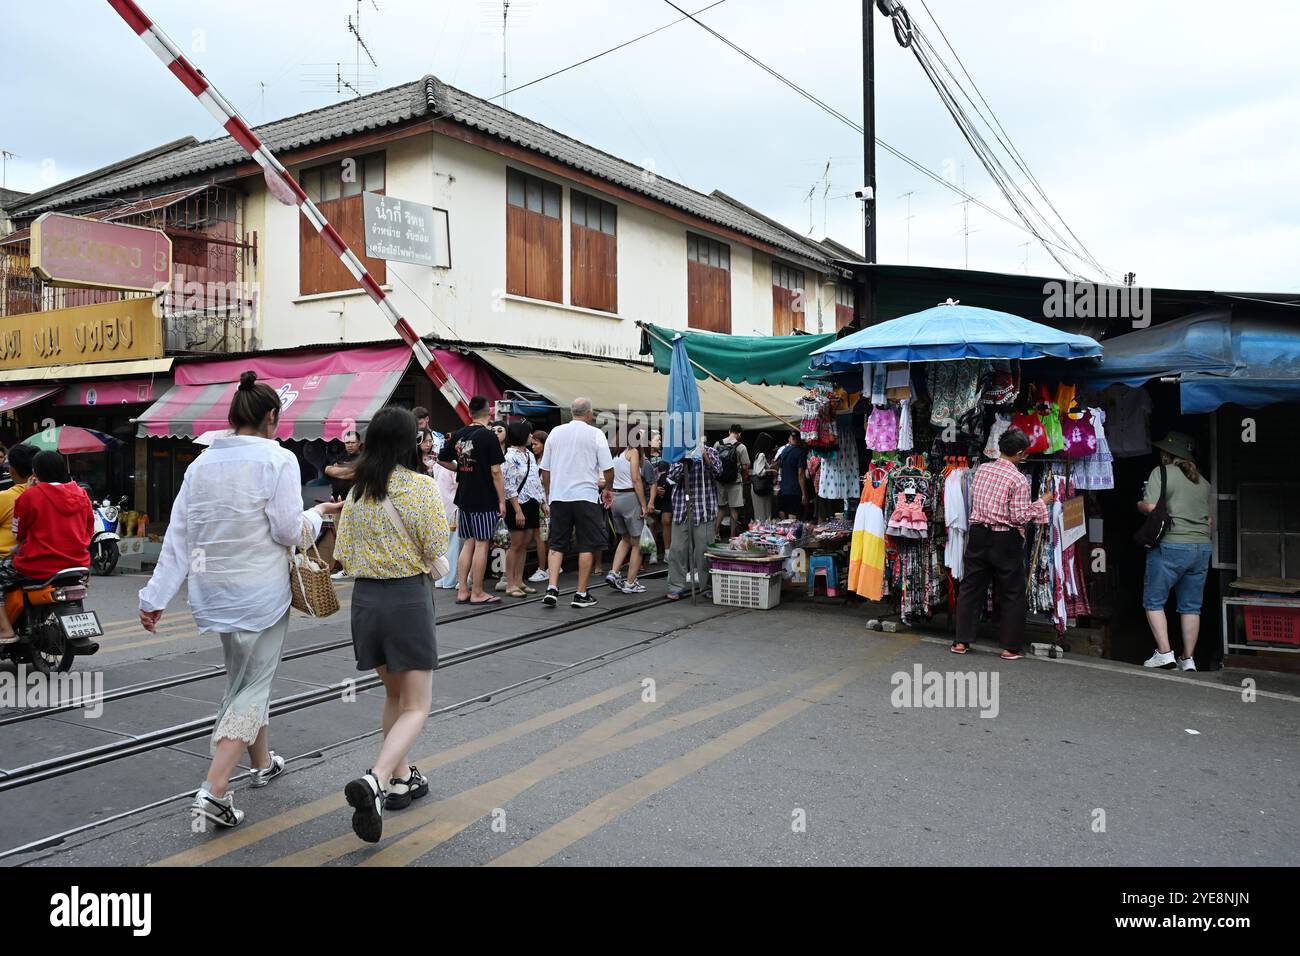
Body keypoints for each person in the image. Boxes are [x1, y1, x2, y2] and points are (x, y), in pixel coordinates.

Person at [139, 372, 341, 828]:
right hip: (261, 595)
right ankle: (214, 789)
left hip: (214, 593)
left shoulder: (200, 464)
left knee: (244, 679)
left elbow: (178, 536)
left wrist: (155, 596)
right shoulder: (279, 460)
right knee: (253, 686)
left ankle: (261, 762)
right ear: (272, 417)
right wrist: (318, 515)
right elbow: (288, 531)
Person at [333, 406, 449, 843]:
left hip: (365, 602)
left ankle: (401, 779)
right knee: (417, 705)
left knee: (394, 694)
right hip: (406, 599)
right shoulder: (421, 486)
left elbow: (341, 552)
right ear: (408, 443)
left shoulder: (359, 491)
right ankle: (378, 778)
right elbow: (436, 543)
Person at [952, 427, 1054, 660]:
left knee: (971, 588)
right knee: (1012, 592)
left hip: (978, 533)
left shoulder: (982, 470)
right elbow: (1018, 517)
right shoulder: (1018, 480)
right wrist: (1041, 503)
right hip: (1004, 538)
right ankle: (1010, 647)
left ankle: (961, 641)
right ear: (1019, 454)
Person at [0, 449, 96, 646]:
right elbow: (89, 529)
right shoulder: (81, 493)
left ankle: (5, 630)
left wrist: (28, 493)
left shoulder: (30, 496)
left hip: (38, 563)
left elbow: (18, 533)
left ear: (35, 472)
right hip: (78, 563)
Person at [1139, 431, 1213, 671]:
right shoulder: (1204, 483)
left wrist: (1139, 504)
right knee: (1191, 607)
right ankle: (1188, 658)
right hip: (1201, 548)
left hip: (1171, 545)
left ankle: (1164, 653)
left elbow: (1150, 507)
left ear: (1168, 455)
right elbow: (1209, 521)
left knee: (1154, 601)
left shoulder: (1161, 473)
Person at [539, 397, 614, 609]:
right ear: (589, 414)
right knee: (587, 544)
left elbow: (546, 469)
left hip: (559, 496)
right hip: (586, 496)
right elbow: (608, 469)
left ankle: (552, 587)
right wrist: (608, 488)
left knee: (557, 542)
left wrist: (549, 493)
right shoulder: (596, 434)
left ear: (572, 412)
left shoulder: (555, 432)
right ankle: (581, 593)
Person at [437, 397, 505, 605]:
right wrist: (501, 500)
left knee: (468, 543)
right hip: (484, 497)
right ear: (489, 413)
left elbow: (441, 458)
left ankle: (463, 590)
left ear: (469, 412)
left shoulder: (459, 434)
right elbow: (495, 472)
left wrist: (460, 468)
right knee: (482, 544)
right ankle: (477, 592)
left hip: (464, 497)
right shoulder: (489, 436)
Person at [664, 445, 722, 601]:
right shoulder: (678, 453)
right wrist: (685, 461)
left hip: (704, 509)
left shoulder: (711, 451)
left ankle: (707, 586)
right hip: (682, 508)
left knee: (705, 550)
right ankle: (676, 586)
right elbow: (672, 477)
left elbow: (718, 472)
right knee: (678, 550)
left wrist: (704, 457)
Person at [501, 421, 545, 597]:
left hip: (532, 501)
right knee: (516, 544)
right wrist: (517, 510)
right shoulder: (509, 456)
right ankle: (510, 583)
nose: (531, 437)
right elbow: (509, 485)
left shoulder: (529, 455)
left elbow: (535, 480)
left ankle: (519, 580)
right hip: (517, 503)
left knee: (525, 543)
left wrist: (543, 502)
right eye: (528, 434)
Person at [606, 441, 650, 593]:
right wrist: (644, 504)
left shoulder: (613, 452)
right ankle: (630, 582)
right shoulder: (632, 452)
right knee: (638, 543)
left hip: (615, 498)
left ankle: (614, 572)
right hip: (630, 497)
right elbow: (636, 479)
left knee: (625, 538)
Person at [0, 443, 37, 561]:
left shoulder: (5, 497)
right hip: (46, 560)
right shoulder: (54, 494)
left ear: (12, 470)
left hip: (8, 562)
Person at [433, 438, 462, 589]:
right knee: (454, 547)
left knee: (444, 547)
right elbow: (458, 485)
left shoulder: (437, 465)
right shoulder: (453, 466)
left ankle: (441, 580)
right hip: (454, 509)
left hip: (442, 509)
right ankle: (450, 580)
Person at [713, 424, 751, 538]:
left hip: (720, 480)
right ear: (739, 434)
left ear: (729, 431)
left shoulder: (718, 444)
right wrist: (744, 480)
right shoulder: (741, 447)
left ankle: (715, 533)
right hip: (735, 481)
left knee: (721, 508)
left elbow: (713, 461)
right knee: (734, 509)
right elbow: (745, 467)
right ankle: (732, 536)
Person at [527, 429, 551, 583]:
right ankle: (549, 566)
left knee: (540, 536)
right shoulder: (537, 460)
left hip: (544, 503)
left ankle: (542, 568)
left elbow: (545, 484)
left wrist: (545, 502)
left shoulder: (545, 462)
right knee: (544, 536)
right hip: (542, 502)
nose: (533, 447)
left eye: (536, 444)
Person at [773, 432, 809, 518]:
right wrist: (804, 493)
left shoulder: (784, 450)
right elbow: (800, 473)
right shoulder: (801, 452)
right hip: (794, 489)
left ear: (791, 438)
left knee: (783, 514)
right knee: (793, 516)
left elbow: (779, 468)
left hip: (783, 488)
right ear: (800, 439)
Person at [749, 432, 777, 523]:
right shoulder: (762, 455)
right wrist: (771, 471)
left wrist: (770, 466)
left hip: (756, 487)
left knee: (759, 514)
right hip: (761, 487)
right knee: (763, 514)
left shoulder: (756, 454)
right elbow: (759, 472)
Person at [326, 431, 362, 500]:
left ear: (359, 443)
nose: (350, 445)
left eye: (353, 442)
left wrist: (337, 469)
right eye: (347, 443)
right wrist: (349, 469)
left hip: (354, 500)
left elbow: (356, 473)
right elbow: (327, 469)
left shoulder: (363, 458)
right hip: (336, 499)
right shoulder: (341, 456)